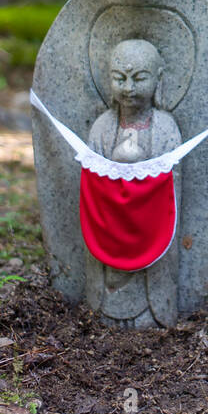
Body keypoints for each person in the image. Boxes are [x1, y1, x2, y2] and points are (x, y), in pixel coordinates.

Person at [86, 39, 182, 327]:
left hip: (153, 226)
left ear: (158, 80)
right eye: (119, 78)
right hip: (111, 228)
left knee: (155, 268)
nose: (128, 88)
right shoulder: (102, 127)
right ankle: (102, 309)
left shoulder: (165, 128)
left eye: (139, 78)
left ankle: (156, 312)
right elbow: (91, 186)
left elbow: (173, 188)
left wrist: (144, 183)